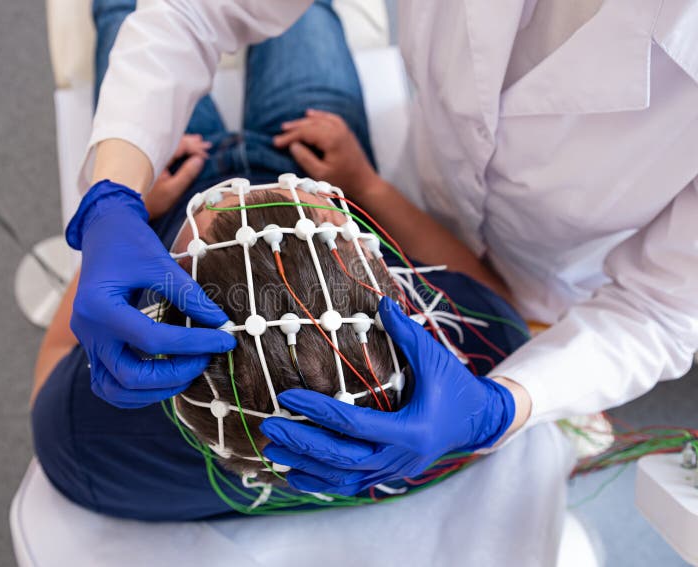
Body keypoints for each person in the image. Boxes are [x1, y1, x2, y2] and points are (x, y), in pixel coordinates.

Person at [33, 0, 540, 522]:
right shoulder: (461, 401)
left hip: (168, 178)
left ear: (162, 313)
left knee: (126, 15)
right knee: (306, 10)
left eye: (215, 218)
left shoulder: (89, 449)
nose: (241, 188)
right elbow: (499, 304)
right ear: (384, 276)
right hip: (316, 157)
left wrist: (133, 208)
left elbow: (57, 350)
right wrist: (365, 185)